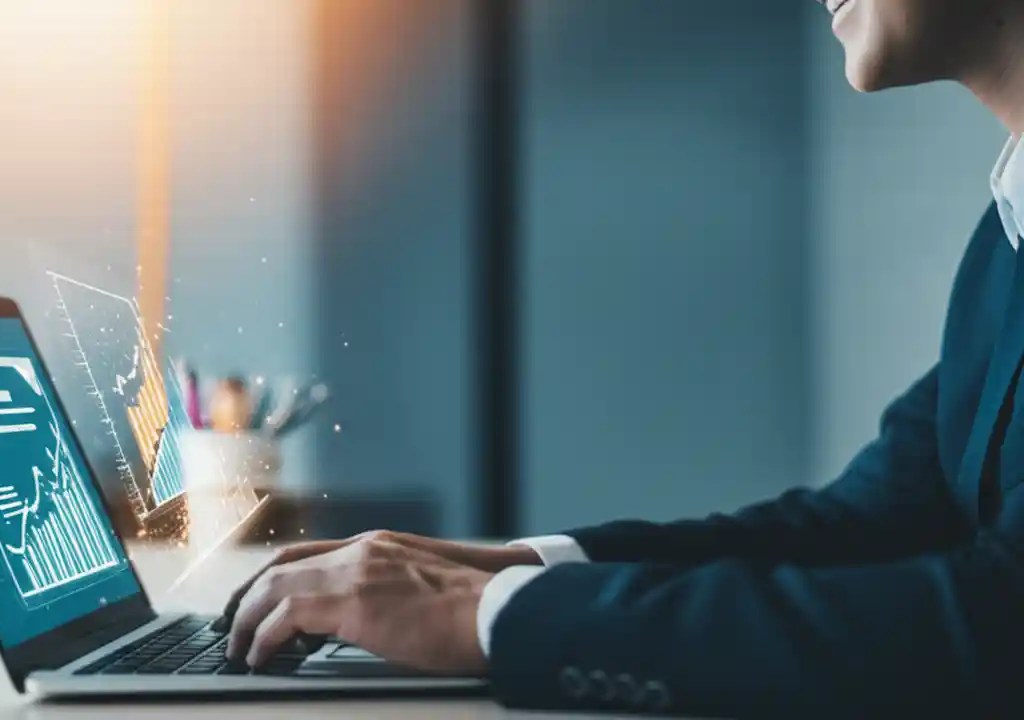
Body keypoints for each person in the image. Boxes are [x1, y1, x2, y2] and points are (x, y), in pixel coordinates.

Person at [217, 0, 1024, 715]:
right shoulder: (1004, 241)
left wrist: (490, 615)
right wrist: (509, 568)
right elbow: (863, 525)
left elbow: (994, 623)